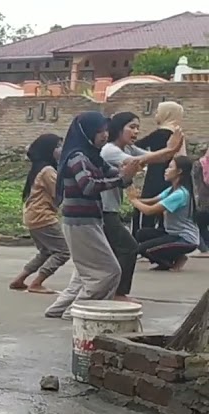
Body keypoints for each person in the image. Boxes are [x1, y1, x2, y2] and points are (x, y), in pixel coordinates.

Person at [45, 112, 140, 319]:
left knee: (83, 273)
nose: (104, 136)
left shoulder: (92, 156)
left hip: (88, 221)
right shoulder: (78, 157)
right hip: (80, 223)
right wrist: (122, 180)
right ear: (86, 132)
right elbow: (87, 186)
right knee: (109, 271)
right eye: (99, 132)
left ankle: (58, 309)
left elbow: (112, 173)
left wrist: (126, 174)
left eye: (106, 131)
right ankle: (79, 311)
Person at [99, 112, 181, 303]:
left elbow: (156, 158)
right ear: (118, 129)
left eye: (138, 127)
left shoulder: (128, 148)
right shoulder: (110, 150)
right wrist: (170, 148)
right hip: (103, 211)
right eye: (131, 127)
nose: (136, 131)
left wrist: (171, 150)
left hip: (109, 210)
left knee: (109, 253)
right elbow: (137, 162)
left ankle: (107, 291)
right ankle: (118, 293)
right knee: (129, 248)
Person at [10, 133, 68, 294]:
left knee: (46, 251)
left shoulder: (39, 168)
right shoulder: (48, 171)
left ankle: (20, 279)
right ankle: (37, 283)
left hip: (33, 216)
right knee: (63, 251)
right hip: (43, 217)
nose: (61, 149)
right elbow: (59, 193)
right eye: (57, 146)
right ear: (48, 150)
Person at [129, 155, 199, 271]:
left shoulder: (180, 194)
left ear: (179, 171)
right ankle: (173, 257)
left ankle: (173, 261)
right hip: (172, 234)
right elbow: (152, 201)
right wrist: (136, 198)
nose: (166, 170)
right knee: (142, 234)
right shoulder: (172, 190)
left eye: (170, 167)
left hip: (185, 239)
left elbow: (149, 211)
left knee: (143, 249)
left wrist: (134, 201)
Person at [133, 101, 187, 234]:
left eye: (158, 112)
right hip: (173, 177)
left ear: (166, 114)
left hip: (155, 177)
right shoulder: (178, 134)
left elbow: (135, 147)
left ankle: (141, 239)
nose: (156, 115)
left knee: (146, 211)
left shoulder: (160, 134)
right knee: (165, 213)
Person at [193, 146, 209, 256]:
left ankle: (205, 247)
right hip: (204, 198)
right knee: (202, 222)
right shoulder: (199, 164)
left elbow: (195, 181)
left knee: (201, 223)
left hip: (203, 198)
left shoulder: (199, 164)